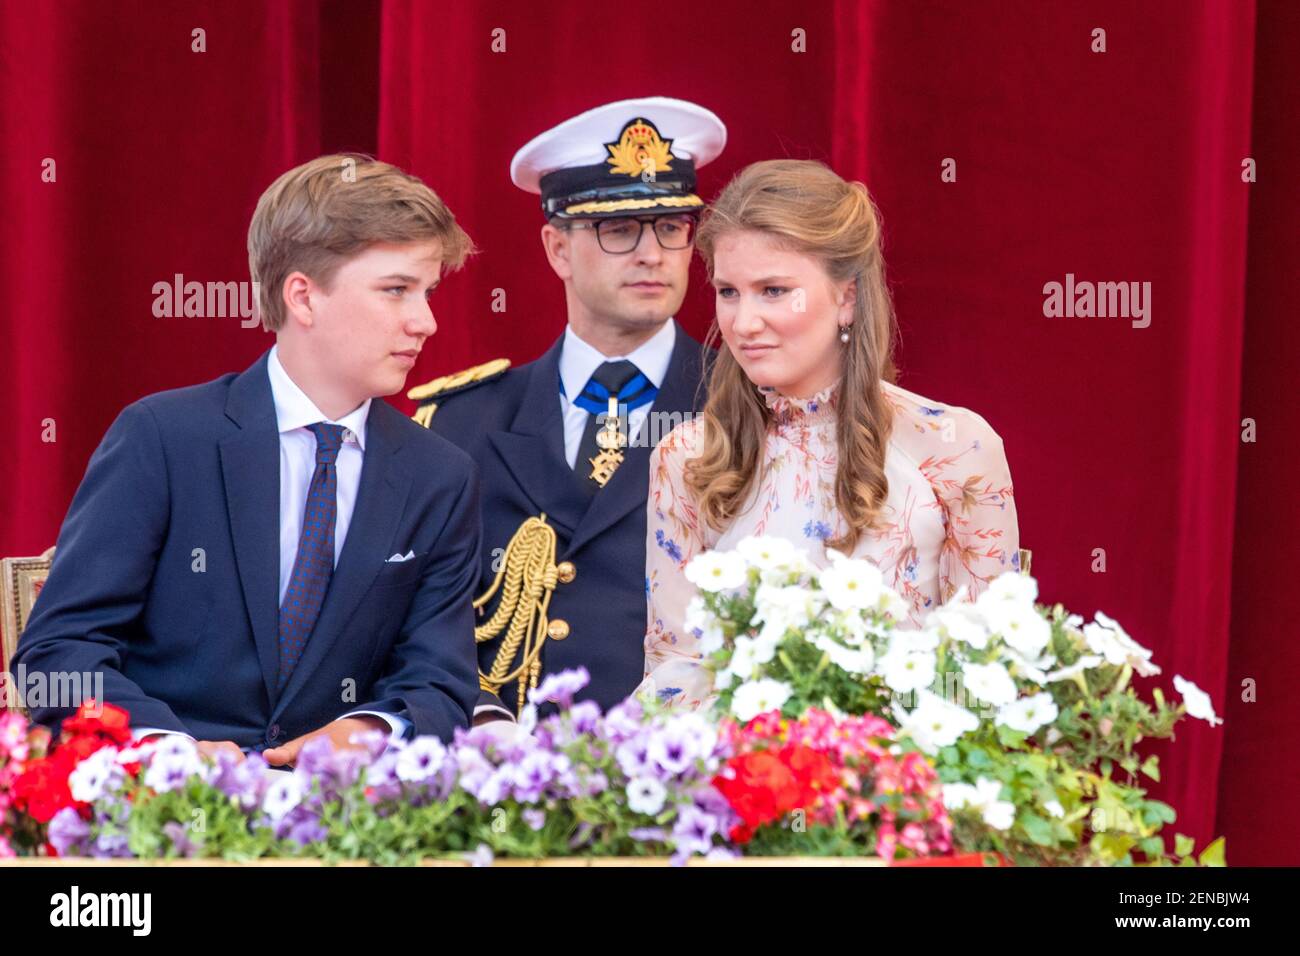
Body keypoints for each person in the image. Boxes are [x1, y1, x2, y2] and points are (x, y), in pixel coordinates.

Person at [14, 154, 483, 764]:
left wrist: (369, 732)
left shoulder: (440, 476)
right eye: (396, 290)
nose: (426, 322)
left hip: (348, 828)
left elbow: (440, 680)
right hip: (163, 828)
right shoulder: (163, 437)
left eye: (428, 292)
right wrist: (168, 750)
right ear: (303, 297)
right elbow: (59, 649)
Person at [642, 159, 1020, 709]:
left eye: (774, 291)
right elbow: (675, 669)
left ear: (846, 298)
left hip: (902, 783)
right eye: (729, 292)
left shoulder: (956, 446)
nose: (744, 323)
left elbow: (990, 682)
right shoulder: (687, 456)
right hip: (734, 782)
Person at [412, 97, 725, 718]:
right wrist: (484, 719)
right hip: (503, 773)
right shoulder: (462, 422)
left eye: (670, 226)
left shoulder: (743, 406)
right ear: (557, 249)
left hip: (689, 774)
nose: (651, 253)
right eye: (618, 229)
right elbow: (421, 623)